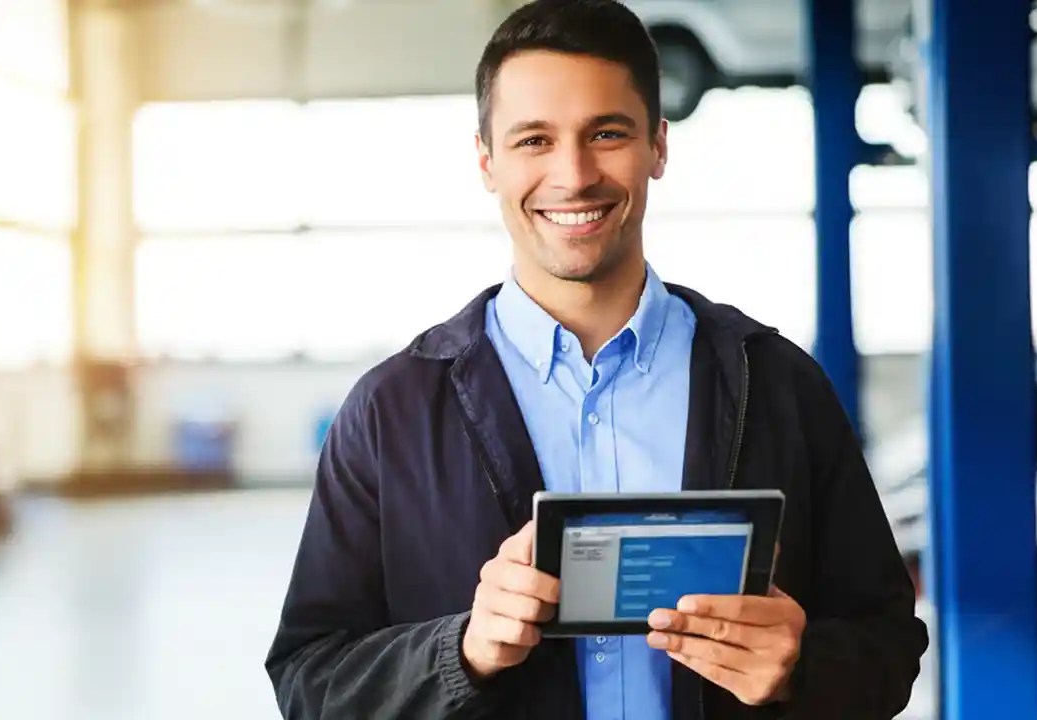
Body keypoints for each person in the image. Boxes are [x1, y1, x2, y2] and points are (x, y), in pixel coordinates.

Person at [265, 1, 928, 717]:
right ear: (487, 161)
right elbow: (311, 680)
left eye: (606, 134)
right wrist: (460, 651)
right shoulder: (392, 411)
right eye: (533, 141)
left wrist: (801, 667)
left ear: (658, 147)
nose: (574, 175)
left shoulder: (775, 384)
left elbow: (888, 647)